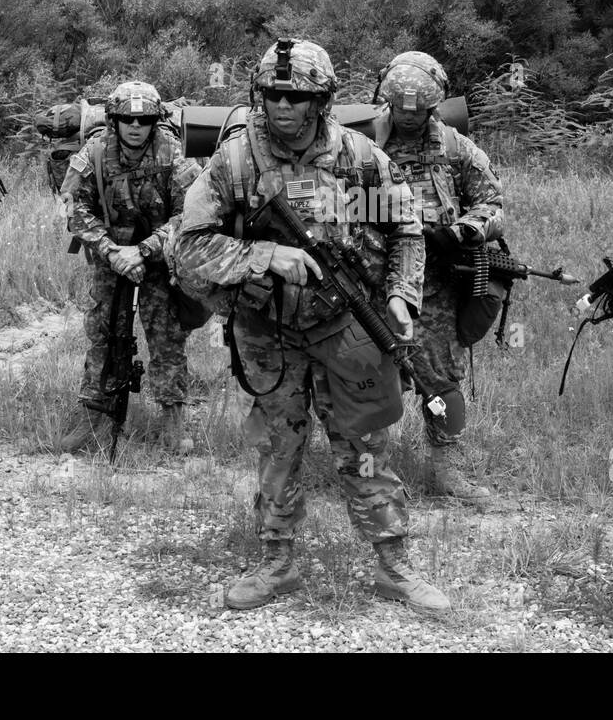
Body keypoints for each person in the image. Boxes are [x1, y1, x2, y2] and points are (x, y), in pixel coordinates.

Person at [173, 38, 449, 613]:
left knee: (366, 445)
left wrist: (401, 297)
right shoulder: (235, 161)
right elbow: (187, 248)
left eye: (296, 97)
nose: (282, 106)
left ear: (321, 100)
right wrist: (263, 257)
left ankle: (394, 564)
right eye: (272, 94)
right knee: (279, 447)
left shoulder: (360, 158)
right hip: (267, 329)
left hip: (346, 325)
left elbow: (407, 229)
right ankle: (276, 562)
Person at [375, 51, 503, 501]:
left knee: (440, 379)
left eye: (420, 111)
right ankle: (373, 472)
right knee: (370, 377)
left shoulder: (455, 148)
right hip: (374, 283)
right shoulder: (359, 142)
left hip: (436, 287)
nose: (408, 118)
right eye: (400, 108)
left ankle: (445, 470)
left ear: (434, 106)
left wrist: (462, 230)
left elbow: (492, 205)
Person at [59, 81, 202, 454]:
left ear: (155, 121)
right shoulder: (95, 152)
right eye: (127, 119)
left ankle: (172, 419)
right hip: (112, 257)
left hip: (161, 257)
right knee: (101, 333)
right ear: (114, 120)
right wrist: (112, 253)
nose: (135, 126)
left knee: (167, 335)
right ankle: (93, 415)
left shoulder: (175, 152)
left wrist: (144, 250)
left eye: (143, 119)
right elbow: (74, 209)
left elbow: (190, 214)